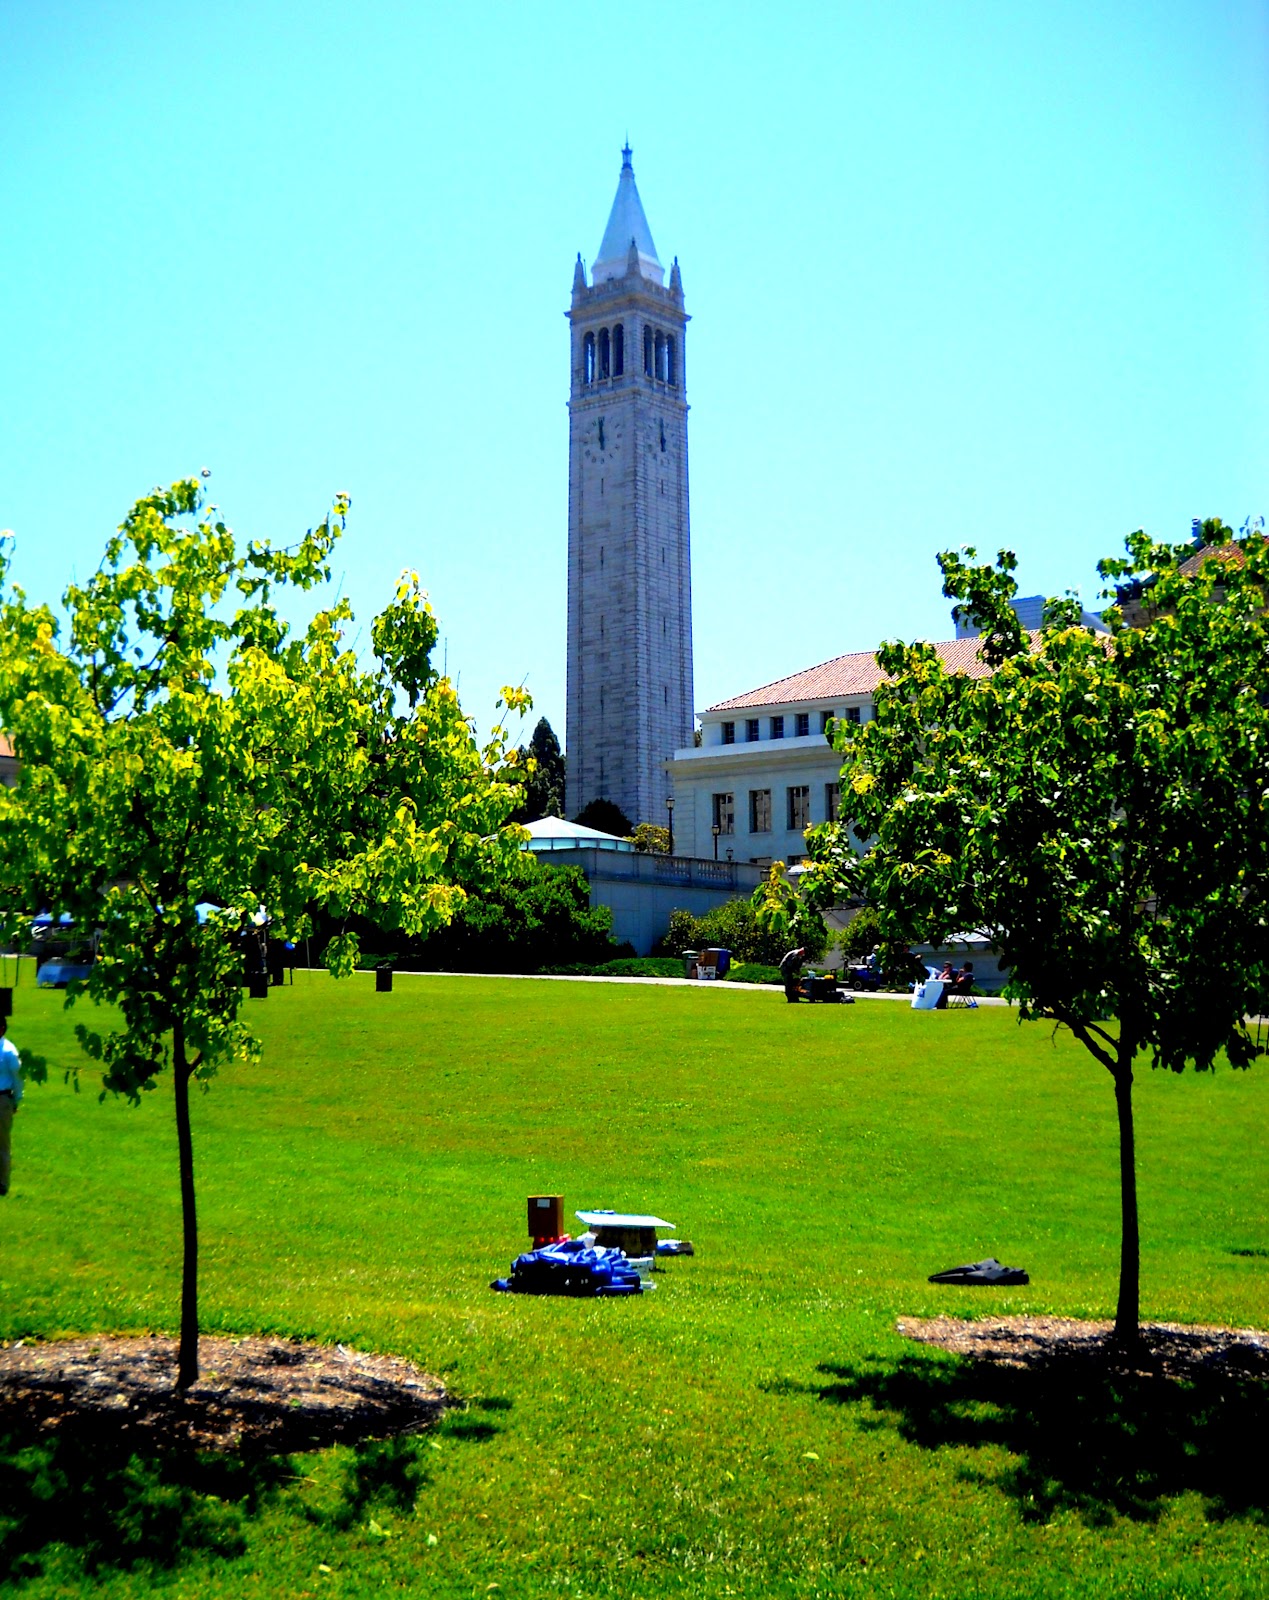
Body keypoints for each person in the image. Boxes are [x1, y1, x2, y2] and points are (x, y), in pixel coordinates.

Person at [0, 1014, 23, 1197]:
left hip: (2, 1100)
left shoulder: (8, 1051)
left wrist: (16, 1100)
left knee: (2, 1144)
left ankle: (2, 1183)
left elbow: (17, 1078)